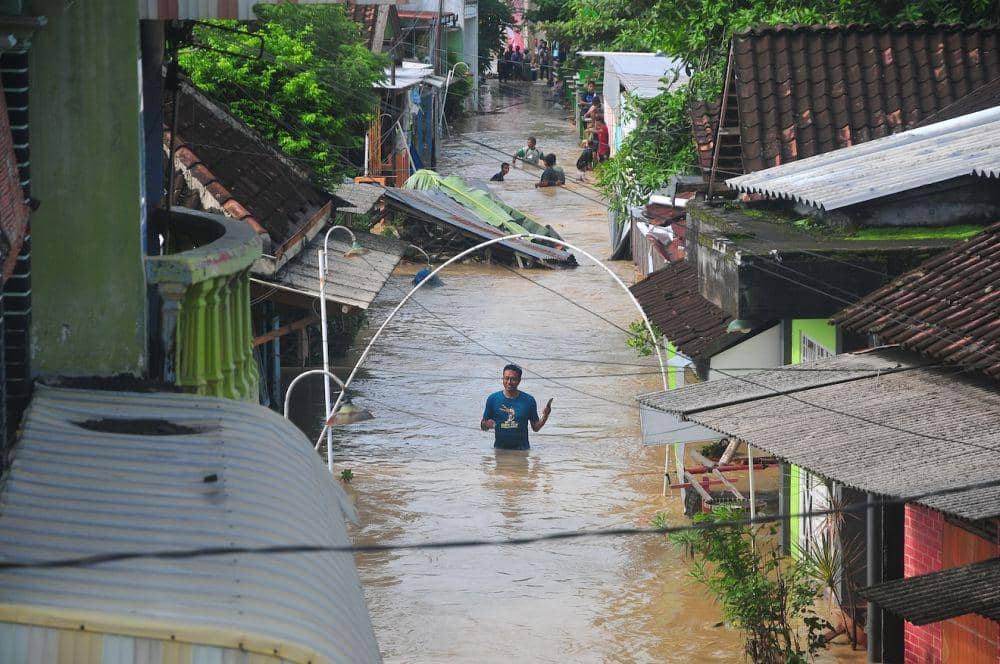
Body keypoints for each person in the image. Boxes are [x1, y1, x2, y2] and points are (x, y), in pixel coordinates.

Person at [481, 364, 552, 450]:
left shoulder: (529, 400)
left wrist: (545, 416)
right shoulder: (493, 399)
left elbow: (536, 428)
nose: (509, 382)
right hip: (500, 451)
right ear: (502, 379)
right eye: (506, 378)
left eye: (513, 379)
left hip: (522, 452)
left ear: (519, 380)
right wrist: (486, 424)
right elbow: (483, 426)